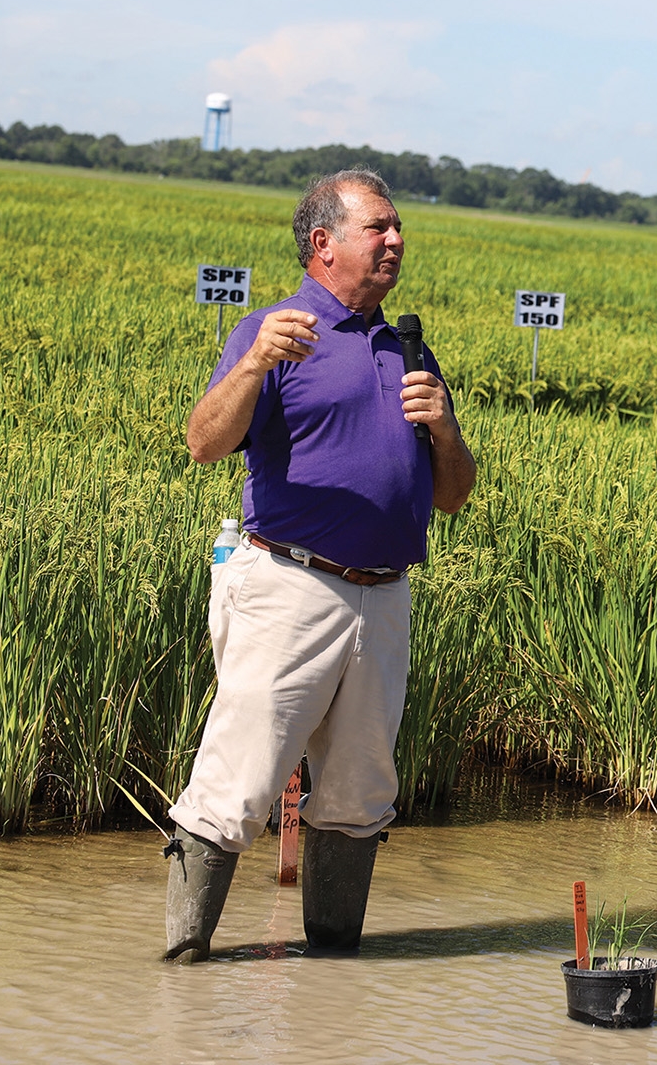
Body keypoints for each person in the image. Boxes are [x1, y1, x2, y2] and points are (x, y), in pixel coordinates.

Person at [164, 168, 477, 962]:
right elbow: (203, 443)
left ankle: (334, 972)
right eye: (379, 228)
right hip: (289, 587)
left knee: (359, 794)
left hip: (385, 598)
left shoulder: (407, 347)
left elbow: (453, 497)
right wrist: (252, 366)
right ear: (322, 243)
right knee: (239, 780)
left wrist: (445, 429)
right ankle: (183, 964)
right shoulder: (273, 331)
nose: (396, 240)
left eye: (398, 228)